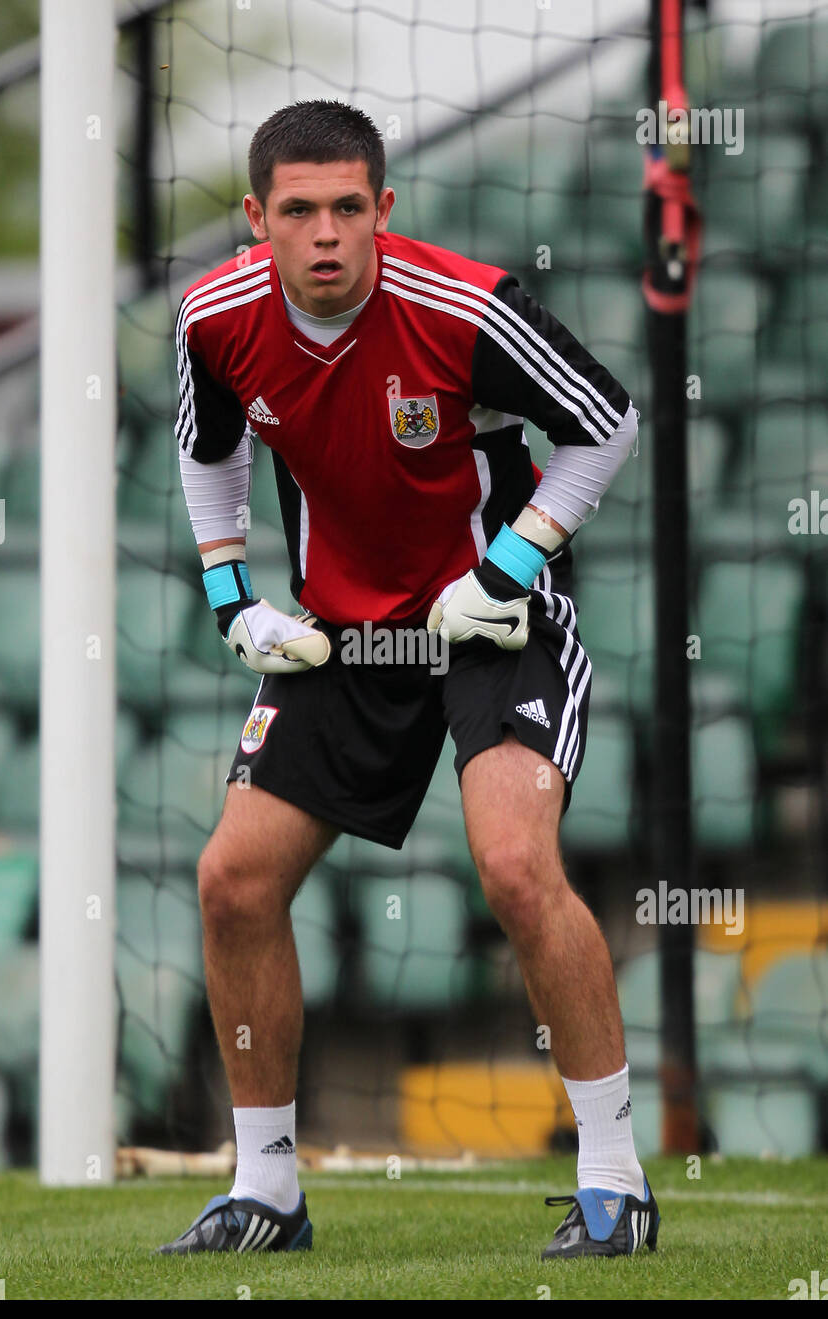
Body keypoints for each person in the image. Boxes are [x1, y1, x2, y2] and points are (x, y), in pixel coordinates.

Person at [158, 98, 659, 1260]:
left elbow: (606, 421)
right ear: (257, 219)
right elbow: (208, 449)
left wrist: (512, 562)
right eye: (298, 211)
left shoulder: (465, 306)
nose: (325, 233)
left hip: (492, 621)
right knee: (231, 880)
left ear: (383, 209)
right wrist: (232, 594)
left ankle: (614, 1184)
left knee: (514, 866)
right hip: (343, 634)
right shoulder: (213, 317)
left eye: (347, 208)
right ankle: (266, 1191)